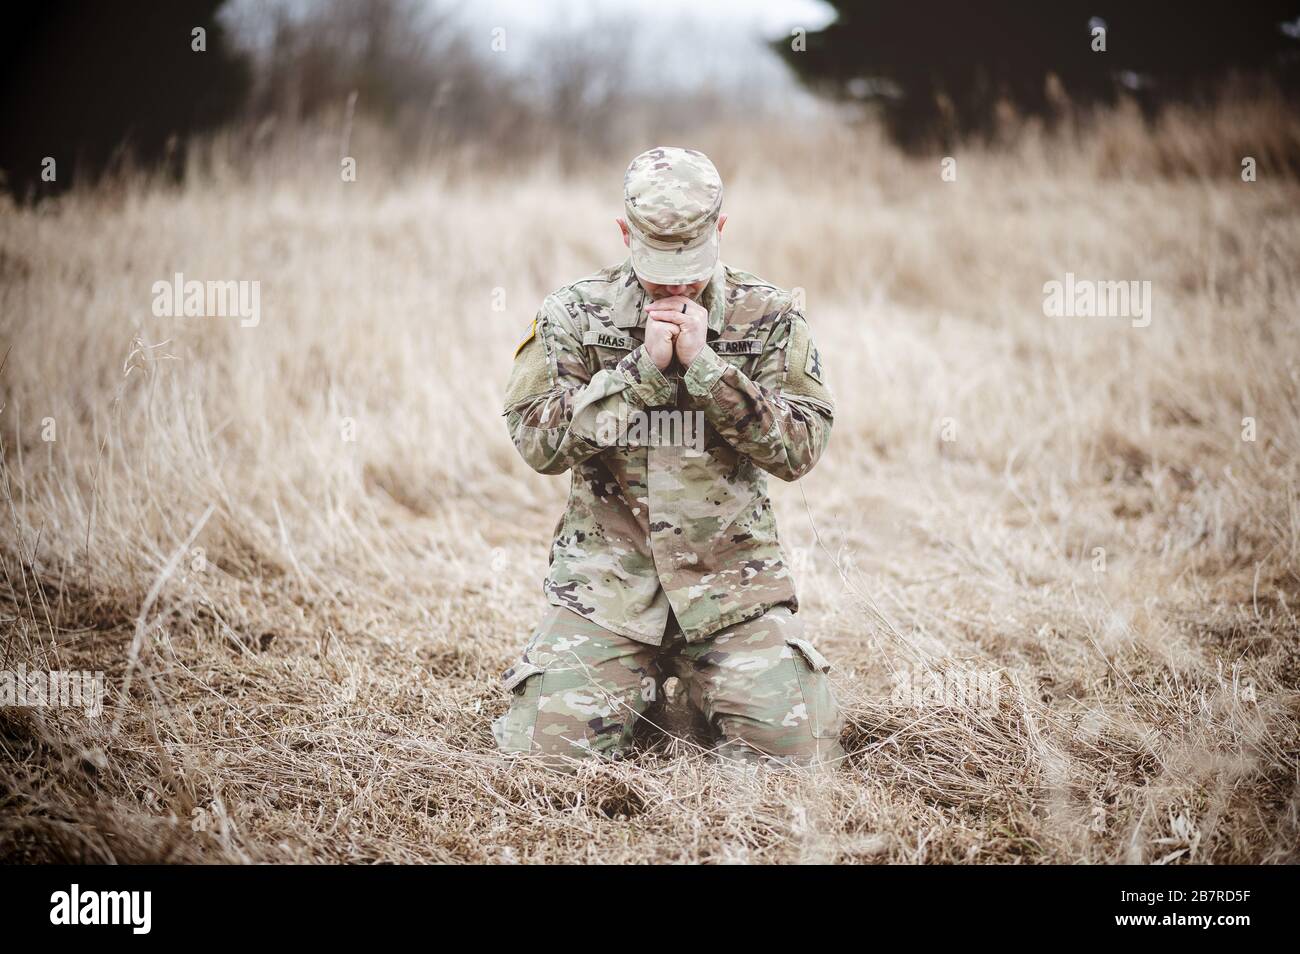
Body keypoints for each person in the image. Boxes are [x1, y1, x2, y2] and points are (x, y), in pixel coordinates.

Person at [494, 146, 844, 769]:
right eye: (659, 266)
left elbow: (801, 447)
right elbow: (536, 441)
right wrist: (641, 374)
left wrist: (708, 371)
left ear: (722, 229)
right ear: (624, 233)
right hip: (608, 591)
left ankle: (691, 691)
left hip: (731, 590)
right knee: (540, 765)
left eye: (690, 263)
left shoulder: (769, 315)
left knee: (801, 757)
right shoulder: (575, 314)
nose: (676, 283)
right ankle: (638, 693)